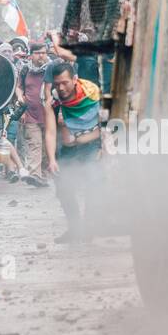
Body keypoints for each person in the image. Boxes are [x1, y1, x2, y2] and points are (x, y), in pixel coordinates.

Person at [43, 60, 101, 242]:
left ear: (75, 79)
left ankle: (89, 228)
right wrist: (51, 159)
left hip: (91, 146)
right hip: (67, 149)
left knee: (93, 185)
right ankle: (75, 228)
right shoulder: (53, 103)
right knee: (64, 189)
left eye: (65, 83)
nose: (61, 88)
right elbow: (51, 132)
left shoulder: (92, 95)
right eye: (57, 84)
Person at [16, 41, 52, 186]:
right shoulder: (25, 70)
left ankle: (42, 175)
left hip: (49, 116)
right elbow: (19, 87)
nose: (41, 56)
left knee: (45, 147)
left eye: (43, 52)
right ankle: (34, 175)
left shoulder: (52, 69)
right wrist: (20, 98)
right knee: (34, 145)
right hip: (31, 114)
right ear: (31, 55)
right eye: (37, 53)